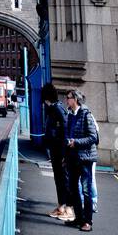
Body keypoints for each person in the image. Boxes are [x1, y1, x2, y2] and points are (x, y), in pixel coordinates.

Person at [63, 89, 99, 231]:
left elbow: (93, 138)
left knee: (86, 190)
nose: (67, 100)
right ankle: (78, 218)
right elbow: (67, 136)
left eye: (69, 98)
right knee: (73, 189)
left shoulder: (86, 115)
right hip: (72, 158)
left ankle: (87, 222)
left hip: (85, 158)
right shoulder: (70, 115)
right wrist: (65, 157)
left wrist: (76, 142)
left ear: (76, 100)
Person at [41, 82, 73, 222]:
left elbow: (65, 131)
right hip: (55, 149)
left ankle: (68, 209)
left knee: (63, 179)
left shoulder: (57, 109)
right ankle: (61, 206)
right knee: (58, 179)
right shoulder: (53, 109)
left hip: (60, 150)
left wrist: (65, 152)